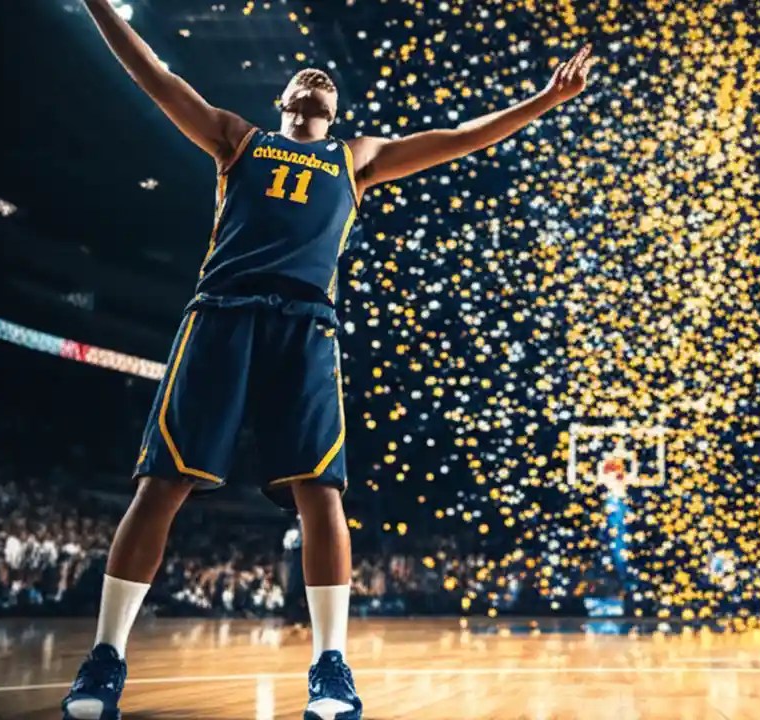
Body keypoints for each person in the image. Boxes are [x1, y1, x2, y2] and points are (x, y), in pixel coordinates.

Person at [64, 3, 596, 719]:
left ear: (332, 108)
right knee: (161, 483)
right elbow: (153, 75)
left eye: (327, 80)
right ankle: (104, 659)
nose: (314, 77)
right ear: (282, 102)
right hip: (223, 312)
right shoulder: (235, 138)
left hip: (307, 325)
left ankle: (331, 667)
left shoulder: (358, 156)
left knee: (322, 492)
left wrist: (545, 99)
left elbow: (464, 137)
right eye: (302, 76)